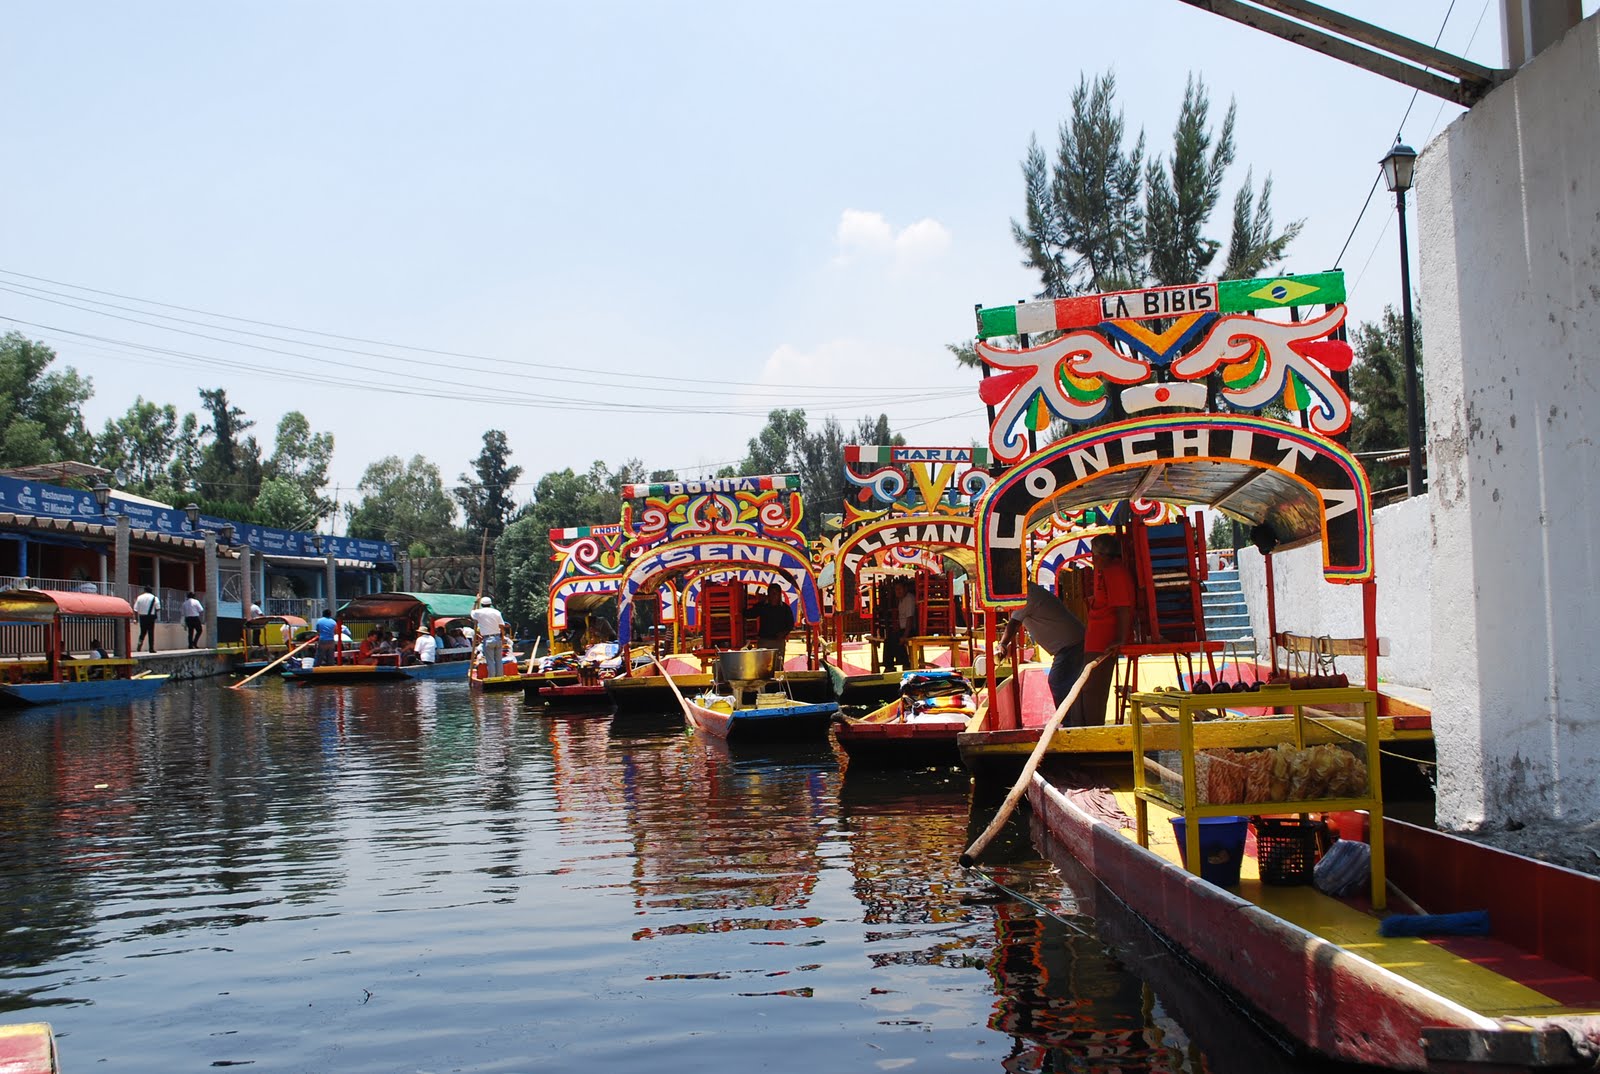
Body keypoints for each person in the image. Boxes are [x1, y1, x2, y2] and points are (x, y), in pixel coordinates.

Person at [998, 581, 1087, 720]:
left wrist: (1002, 644)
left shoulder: (1027, 594)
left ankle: (1070, 723)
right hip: (1070, 644)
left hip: (1071, 645)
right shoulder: (1028, 592)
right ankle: (1071, 721)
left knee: (1058, 681)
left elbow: (1014, 624)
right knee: (1065, 683)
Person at [1080, 533, 1136, 726]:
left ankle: (1093, 730)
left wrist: (1120, 638)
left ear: (1103, 555)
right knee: (1089, 687)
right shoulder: (1104, 570)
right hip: (1097, 636)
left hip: (1104, 639)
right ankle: (1088, 727)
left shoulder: (1114, 572)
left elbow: (1123, 607)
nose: (1093, 559)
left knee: (1094, 688)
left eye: (1095, 555)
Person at [471, 596, 506, 678]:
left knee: (490, 661)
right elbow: (501, 626)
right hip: (497, 638)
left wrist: (476, 602)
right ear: (490, 604)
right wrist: (503, 637)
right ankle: (500, 677)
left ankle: (492, 677)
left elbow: (472, 612)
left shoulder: (478, 612)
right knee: (498, 660)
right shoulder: (496, 612)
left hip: (488, 639)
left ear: (482, 604)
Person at [754, 583, 793, 654]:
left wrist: (783, 633)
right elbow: (750, 614)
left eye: (776, 593)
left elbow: (790, 625)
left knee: (778, 664)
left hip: (778, 642)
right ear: (768, 594)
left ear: (779, 595)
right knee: (763, 664)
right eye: (771, 593)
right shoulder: (763, 606)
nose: (773, 596)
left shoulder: (785, 608)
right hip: (764, 641)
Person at [133, 587, 160, 653]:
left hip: (142, 617)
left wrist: (135, 619)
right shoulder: (154, 598)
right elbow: (158, 608)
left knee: (142, 633)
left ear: (144, 590)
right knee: (151, 633)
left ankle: (139, 646)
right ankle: (151, 648)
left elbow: (135, 609)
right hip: (151, 617)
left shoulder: (139, 597)